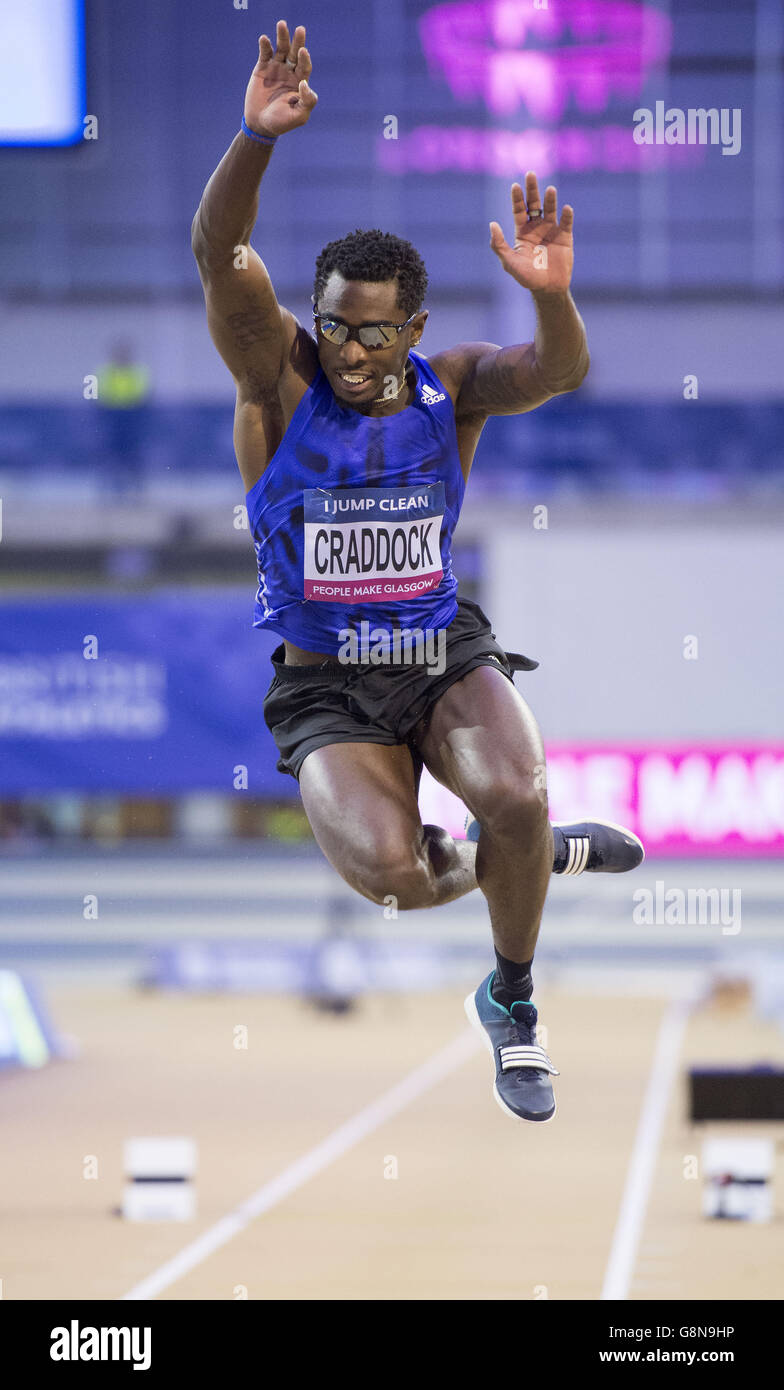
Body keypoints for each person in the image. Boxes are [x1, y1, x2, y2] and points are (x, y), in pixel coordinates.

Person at [191, 22, 644, 1124]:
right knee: (393, 876)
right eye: (337, 327)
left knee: (516, 795)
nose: (351, 353)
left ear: (415, 328)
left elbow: (558, 369)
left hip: (437, 650)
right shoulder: (278, 381)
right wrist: (255, 137)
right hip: (326, 683)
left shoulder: (455, 386)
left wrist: (550, 293)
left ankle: (512, 998)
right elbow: (217, 252)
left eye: (374, 334)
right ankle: (522, 860)